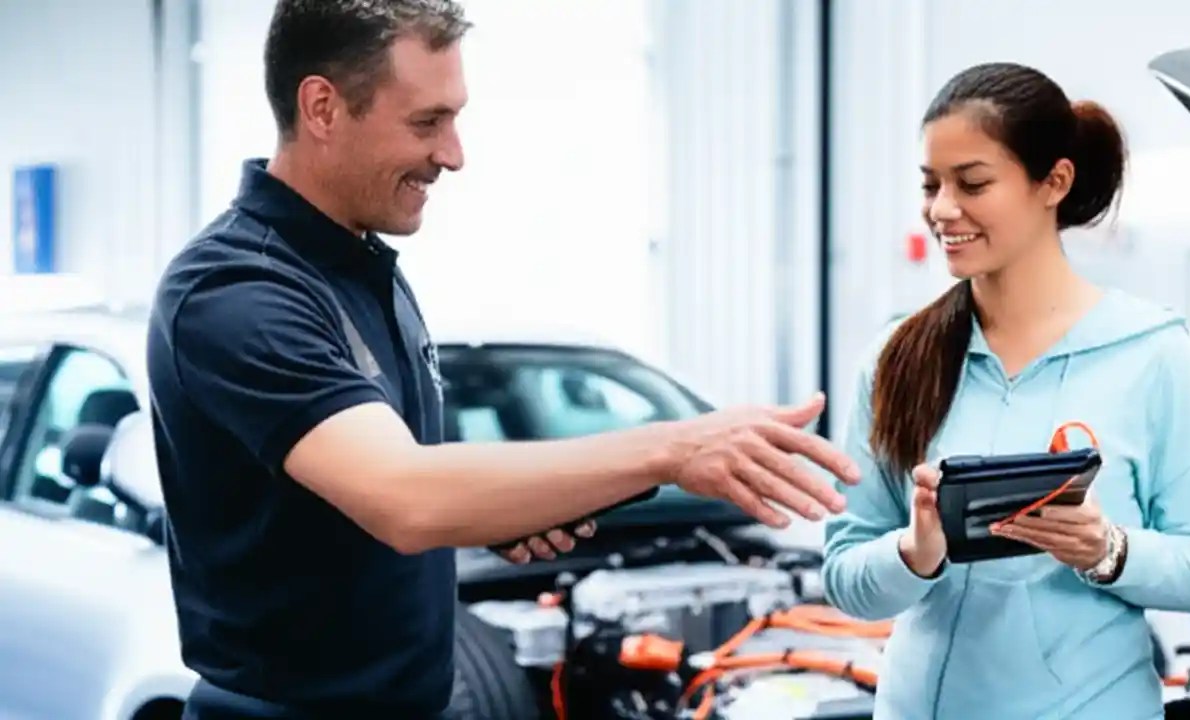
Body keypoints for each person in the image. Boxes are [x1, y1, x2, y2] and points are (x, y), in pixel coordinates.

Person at [145, 1, 861, 718]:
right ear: (323, 107)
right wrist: (673, 449)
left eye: (454, 119)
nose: (453, 153)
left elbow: (406, 478)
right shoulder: (235, 293)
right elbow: (407, 495)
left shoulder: (366, 272)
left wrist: (501, 507)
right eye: (427, 122)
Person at [821, 61, 1190, 720]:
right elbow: (845, 572)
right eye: (931, 185)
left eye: (973, 183)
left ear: (1055, 183)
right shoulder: (897, 357)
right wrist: (914, 552)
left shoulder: (1154, 356)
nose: (942, 209)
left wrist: (1109, 550)